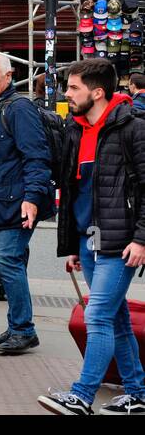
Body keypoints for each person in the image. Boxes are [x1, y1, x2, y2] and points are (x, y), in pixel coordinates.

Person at [40, 59, 145, 415]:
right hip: (89, 240)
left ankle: (82, 396)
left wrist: (142, 239)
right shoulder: (76, 127)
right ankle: (138, 392)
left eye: (73, 88)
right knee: (114, 318)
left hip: (121, 241)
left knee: (97, 316)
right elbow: (73, 191)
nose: (66, 94)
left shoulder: (133, 129)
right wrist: (72, 244)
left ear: (97, 92)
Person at [0, 52, 54, 355]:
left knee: (7, 259)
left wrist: (31, 198)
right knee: (10, 260)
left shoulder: (19, 109)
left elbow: (36, 156)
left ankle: (23, 329)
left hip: (15, 202)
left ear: (9, 76)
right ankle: (17, 326)